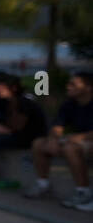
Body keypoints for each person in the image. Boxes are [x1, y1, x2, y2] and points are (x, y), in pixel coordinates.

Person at [24, 71, 93, 209]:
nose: (68, 87)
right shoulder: (69, 104)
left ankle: (83, 192)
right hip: (78, 141)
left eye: (73, 84)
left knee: (70, 148)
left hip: (85, 141)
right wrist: (53, 139)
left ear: (88, 87)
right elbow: (57, 127)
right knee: (39, 144)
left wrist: (78, 137)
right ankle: (43, 185)